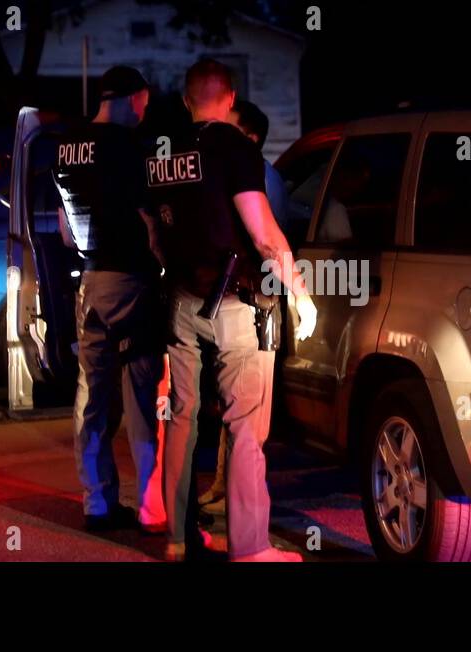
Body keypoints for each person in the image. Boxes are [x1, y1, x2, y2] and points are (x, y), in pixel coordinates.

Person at [147, 59, 317, 562]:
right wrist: (300, 293)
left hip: (180, 300)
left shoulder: (162, 154)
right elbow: (263, 233)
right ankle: (251, 548)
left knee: (181, 416)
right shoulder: (236, 148)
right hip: (236, 302)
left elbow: (153, 233)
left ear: (185, 100)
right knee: (244, 424)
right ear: (230, 99)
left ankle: (177, 537)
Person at [52, 65, 167, 532]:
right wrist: (166, 268)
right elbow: (150, 223)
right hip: (134, 283)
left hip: (91, 284)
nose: (144, 110)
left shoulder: (66, 146)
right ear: (133, 97)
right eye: (144, 101)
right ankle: (150, 505)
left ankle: (96, 504)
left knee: (92, 394)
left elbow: (64, 229)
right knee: (142, 396)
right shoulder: (129, 147)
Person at [198, 99, 285, 516]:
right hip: (233, 297)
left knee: (248, 415)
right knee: (235, 405)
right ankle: (223, 489)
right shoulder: (235, 167)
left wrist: (298, 293)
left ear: (247, 135)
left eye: (227, 126)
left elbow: (269, 240)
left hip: (254, 299)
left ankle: (240, 507)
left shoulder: (258, 174)